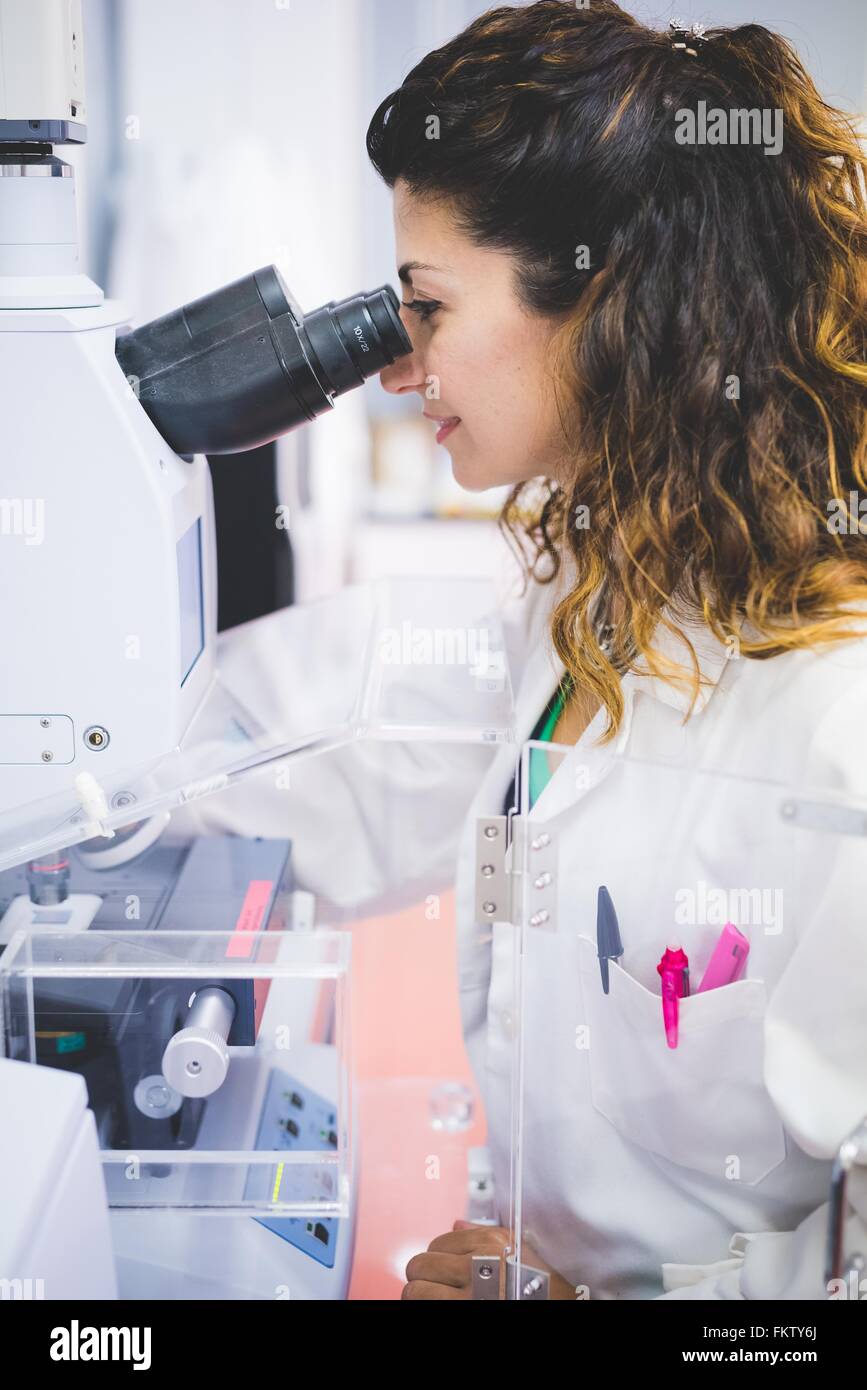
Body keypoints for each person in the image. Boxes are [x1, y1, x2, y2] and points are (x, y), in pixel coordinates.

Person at [172, 1, 867, 1299]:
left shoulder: (834, 717)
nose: (397, 367)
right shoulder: (591, 603)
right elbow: (342, 761)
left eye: (426, 310)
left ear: (600, 297)